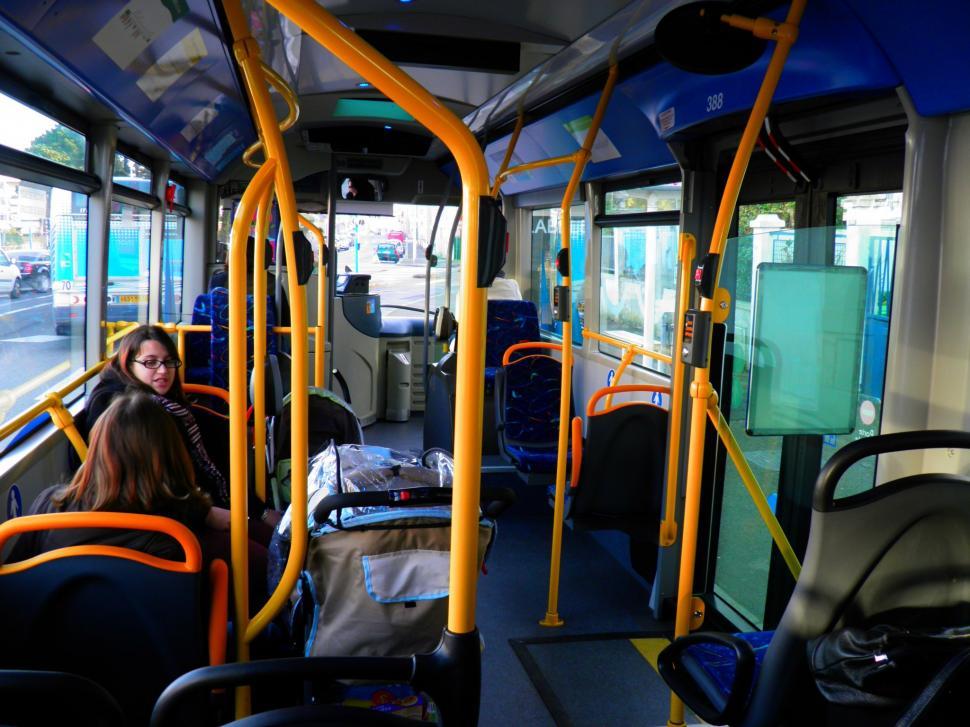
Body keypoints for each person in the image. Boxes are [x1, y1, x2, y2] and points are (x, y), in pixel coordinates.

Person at [11, 392, 268, 610]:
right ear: (171, 456)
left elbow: (13, 581)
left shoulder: (46, 507)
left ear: (97, 451)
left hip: (44, 657)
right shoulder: (178, 539)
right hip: (155, 666)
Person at [86, 324, 230, 508]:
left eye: (169, 361)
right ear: (128, 364)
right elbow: (151, 483)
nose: (163, 371)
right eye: (150, 362)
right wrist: (205, 512)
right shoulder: (125, 411)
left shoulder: (166, 404)